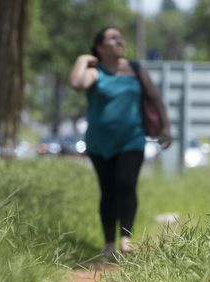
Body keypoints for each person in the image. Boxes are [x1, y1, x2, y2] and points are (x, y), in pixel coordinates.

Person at [69, 26, 172, 257]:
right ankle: (108, 243)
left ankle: (125, 239)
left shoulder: (135, 69)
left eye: (120, 37)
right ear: (100, 47)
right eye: (112, 38)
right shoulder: (95, 72)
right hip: (99, 143)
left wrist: (166, 127)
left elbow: (156, 98)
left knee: (126, 185)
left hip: (132, 140)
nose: (119, 40)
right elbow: (76, 83)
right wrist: (82, 59)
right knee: (108, 191)